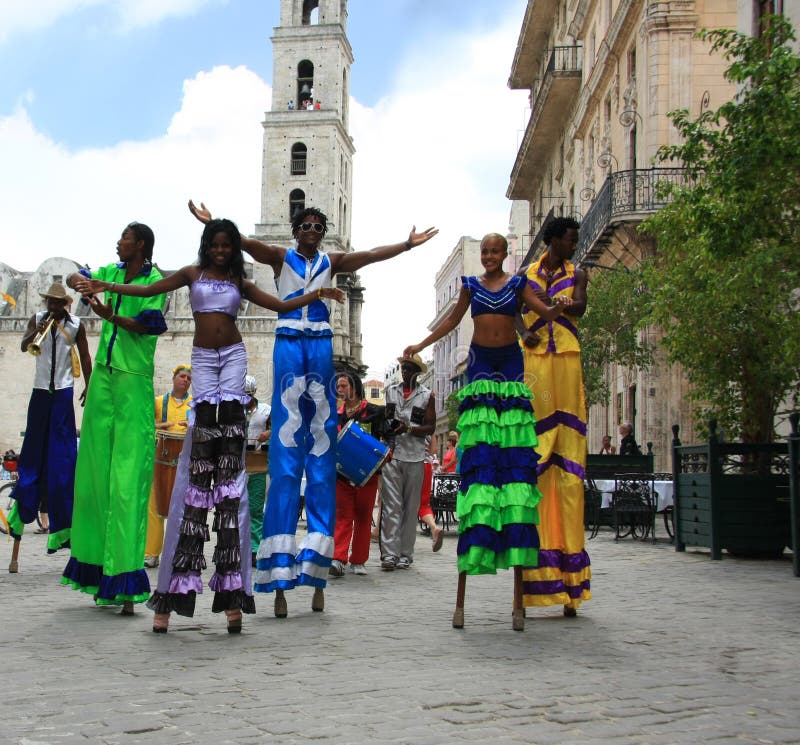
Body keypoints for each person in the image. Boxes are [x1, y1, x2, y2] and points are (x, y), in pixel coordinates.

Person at [76, 217, 344, 633]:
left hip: (234, 357)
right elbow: (148, 290)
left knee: (229, 464)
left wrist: (317, 294)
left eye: (226, 246)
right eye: (215, 245)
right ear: (207, 246)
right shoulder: (190, 273)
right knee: (199, 462)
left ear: (232, 249)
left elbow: (280, 306)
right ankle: (174, 593)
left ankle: (232, 596)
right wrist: (107, 288)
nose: (220, 251)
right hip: (203, 359)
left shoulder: (240, 278)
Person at [188, 200, 437, 619]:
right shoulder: (279, 257)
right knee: (286, 452)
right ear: (295, 229)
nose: (312, 230)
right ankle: (280, 572)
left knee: (321, 450)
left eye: (318, 226)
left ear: (323, 231)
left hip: (319, 344)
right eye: (305, 224)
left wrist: (407, 245)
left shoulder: (331, 260)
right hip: (288, 342)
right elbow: (243, 242)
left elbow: (372, 256)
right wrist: (215, 223)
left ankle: (318, 570)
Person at [404, 232, 571, 630]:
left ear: (504, 255)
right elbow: (450, 321)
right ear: (481, 256)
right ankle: (463, 596)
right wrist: (421, 343)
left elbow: (539, 310)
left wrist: (557, 307)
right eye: (485, 251)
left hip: (510, 364)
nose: (491, 256)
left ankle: (518, 600)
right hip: (480, 364)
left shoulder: (517, 284)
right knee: (481, 453)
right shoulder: (470, 286)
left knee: (512, 449)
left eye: (496, 251)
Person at [62, 222, 168, 615]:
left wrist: (109, 313)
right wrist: (82, 282)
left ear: (139, 244)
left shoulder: (154, 281)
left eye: (124, 237)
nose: (118, 242)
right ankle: (94, 571)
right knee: (92, 480)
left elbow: (146, 326)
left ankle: (125, 577)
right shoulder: (107, 272)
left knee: (126, 484)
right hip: (103, 383)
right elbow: (78, 276)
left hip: (131, 382)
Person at [517, 216, 591, 618]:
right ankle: (535, 579)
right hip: (535, 364)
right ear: (553, 240)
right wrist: (521, 332)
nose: (574, 246)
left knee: (568, 469)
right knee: (537, 454)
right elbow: (512, 309)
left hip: (566, 359)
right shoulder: (525, 275)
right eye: (569, 240)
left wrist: (564, 306)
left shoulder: (576, 273)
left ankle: (571, 584)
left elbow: (580, 306)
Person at [6, 283, 92, 573]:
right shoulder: (38, 318)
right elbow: (23, 346)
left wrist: (89, 386)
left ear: (66, 304)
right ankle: (23, 511)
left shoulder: (77, 324)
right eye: (50, 303)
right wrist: (38, 329)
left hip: (64, 391)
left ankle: (62, 527)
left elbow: (86, 356)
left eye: (58, 304)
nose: (54, 307)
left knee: (62, 458)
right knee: (33, 454)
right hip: (40, 391)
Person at [379, 354, 436, 572]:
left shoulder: (426, 395)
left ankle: (405, 554)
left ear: (417, 373)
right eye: (403, 368)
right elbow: (386, 418)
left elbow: (430, 427)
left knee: (410, 507)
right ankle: (389, 554)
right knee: (391, 507)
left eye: (410, 369)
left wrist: (409, 429)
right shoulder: (391, 391)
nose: (405, 372)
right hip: (393, 455)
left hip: (415, 456)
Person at [330, 371, 386, 577]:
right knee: (342, 516)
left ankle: (359, 560)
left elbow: (385, 439)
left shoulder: (374, 412)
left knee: (363, 517)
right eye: (338, 386)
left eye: (343, 386)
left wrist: (387, 452)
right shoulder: (336, 415)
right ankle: (338, 558)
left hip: (367, 476)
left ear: (354, 387)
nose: (340, 390)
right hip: (342, 475)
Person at [144, 365, 192, 569]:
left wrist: (193, 427)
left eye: (189, 378)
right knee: (154, 506)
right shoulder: (158, 402)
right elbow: (143, 422)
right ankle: (151, 553)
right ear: (173, 379)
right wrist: (157, 426)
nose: (186, 380)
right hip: (160, 460)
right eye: (182, 376)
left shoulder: (195, 404)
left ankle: (177, 553)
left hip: (184, 461)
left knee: (181, 508)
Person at [244, 374, 271, 569]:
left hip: (258, 465)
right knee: (235, 509)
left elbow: (278, 428)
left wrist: (268, 434)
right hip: (236, 465)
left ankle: (255, 548)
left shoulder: (266, 411)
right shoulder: (231, 410)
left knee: (255, 508)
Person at [418, 436, 444, 553]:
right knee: (424, 505)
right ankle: (434, 528)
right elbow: (433, 450)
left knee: (404, 502)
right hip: (426, 464)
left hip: (410, 463)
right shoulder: (430, 421)